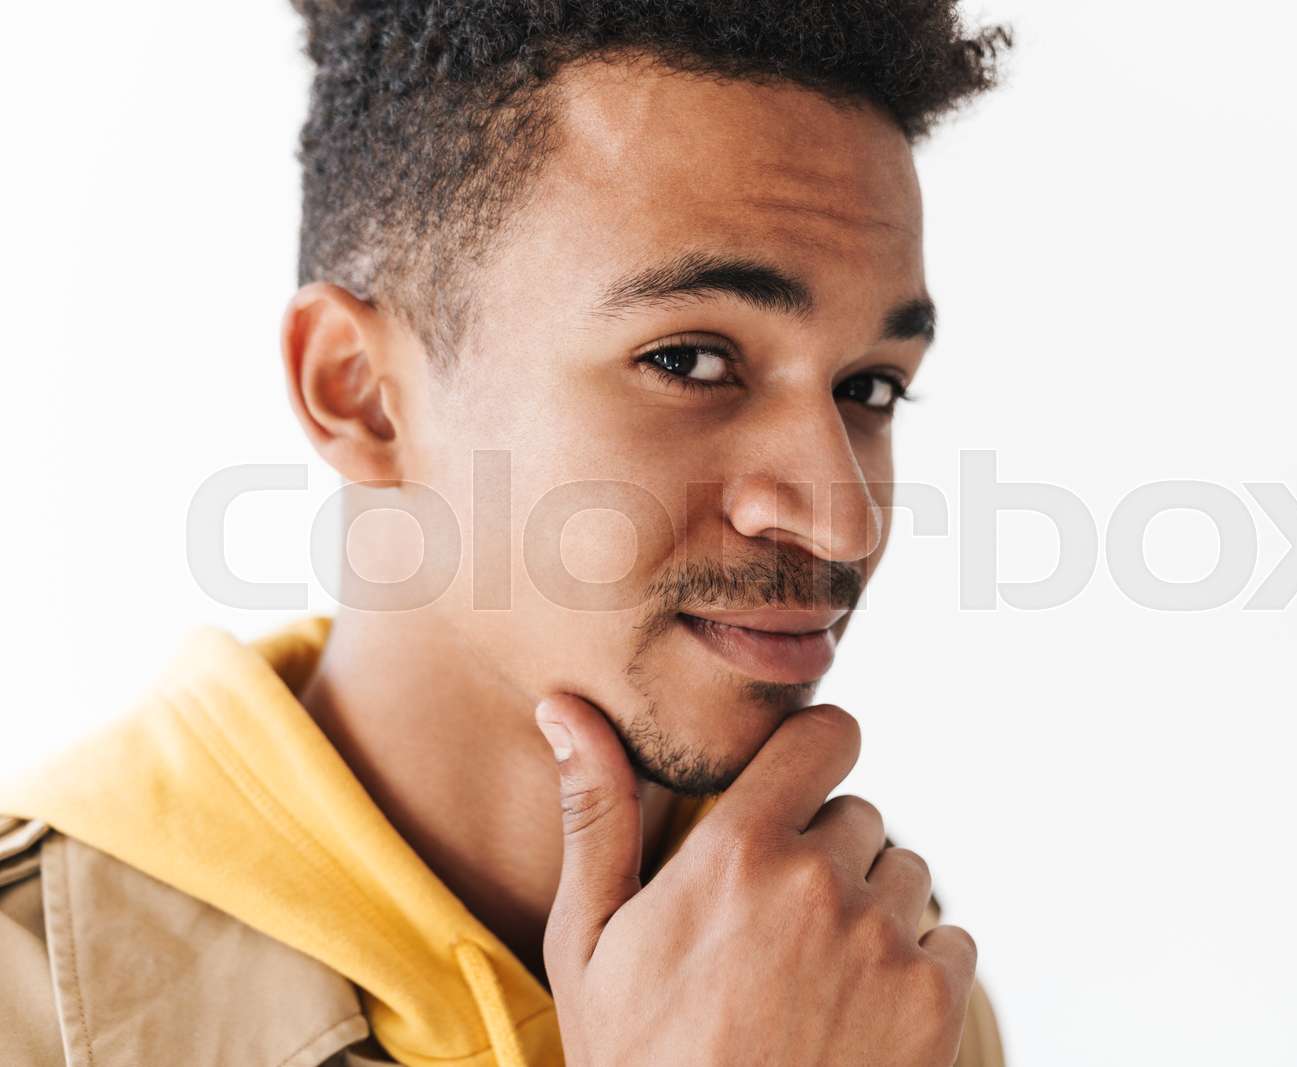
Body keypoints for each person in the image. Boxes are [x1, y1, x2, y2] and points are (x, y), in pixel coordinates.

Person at [0, 2, 1012, 1064]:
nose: (841, 514)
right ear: (363, 394)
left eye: (871, 386)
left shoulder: (867, 974)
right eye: (689, 360)